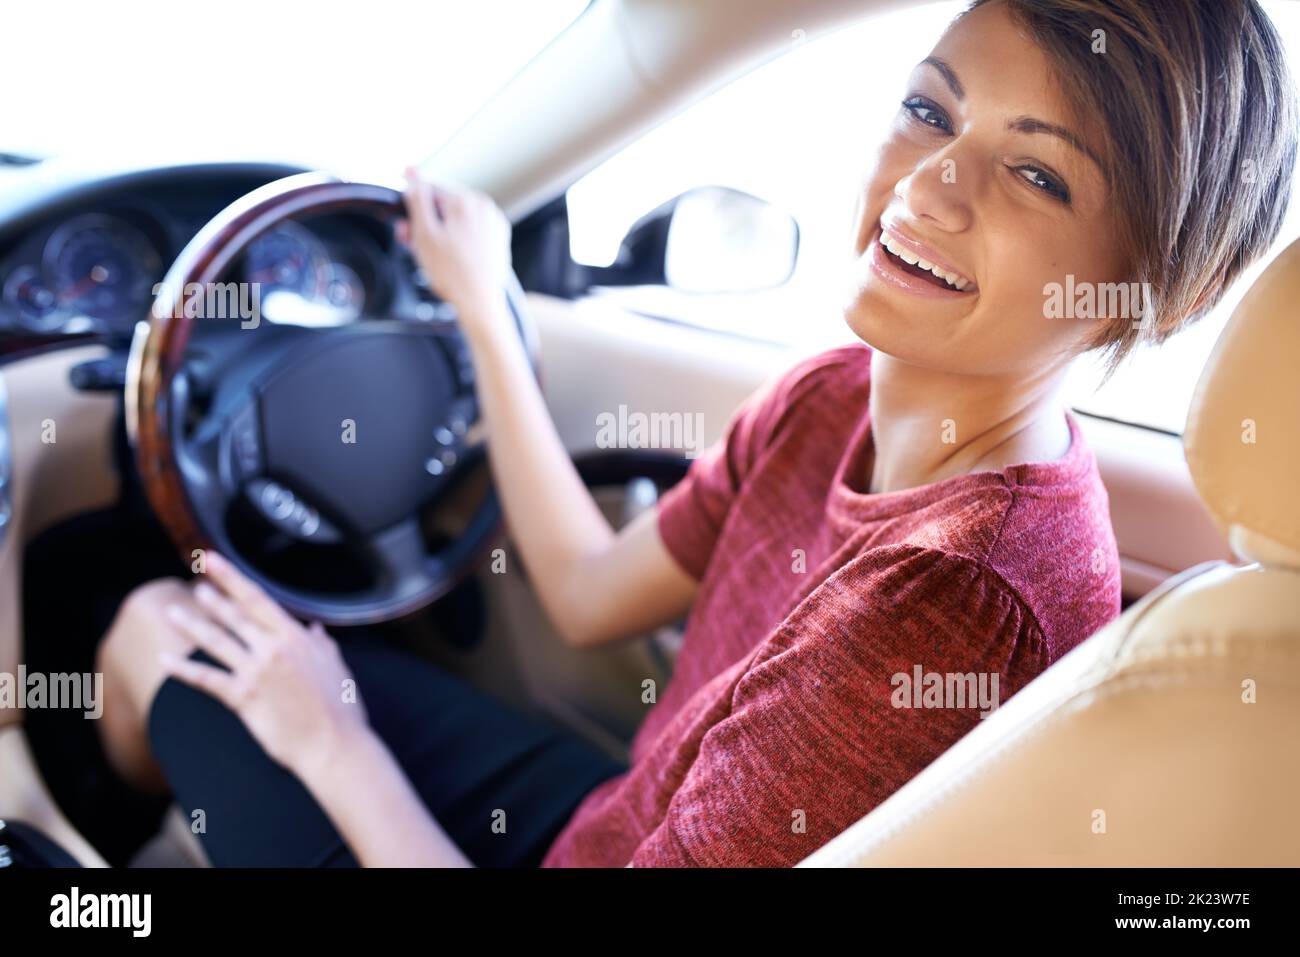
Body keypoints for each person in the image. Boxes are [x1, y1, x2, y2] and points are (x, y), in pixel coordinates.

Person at [96, 0, 1297, 867]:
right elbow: (578, 594)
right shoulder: (830, 396)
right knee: (174, 630)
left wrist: (334, 748)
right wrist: (479, 307)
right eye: (931, 109)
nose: (930, 187)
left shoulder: (953, 606)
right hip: (612, 821)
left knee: (159, 643)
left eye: (1038, 179)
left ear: (1156, 290)